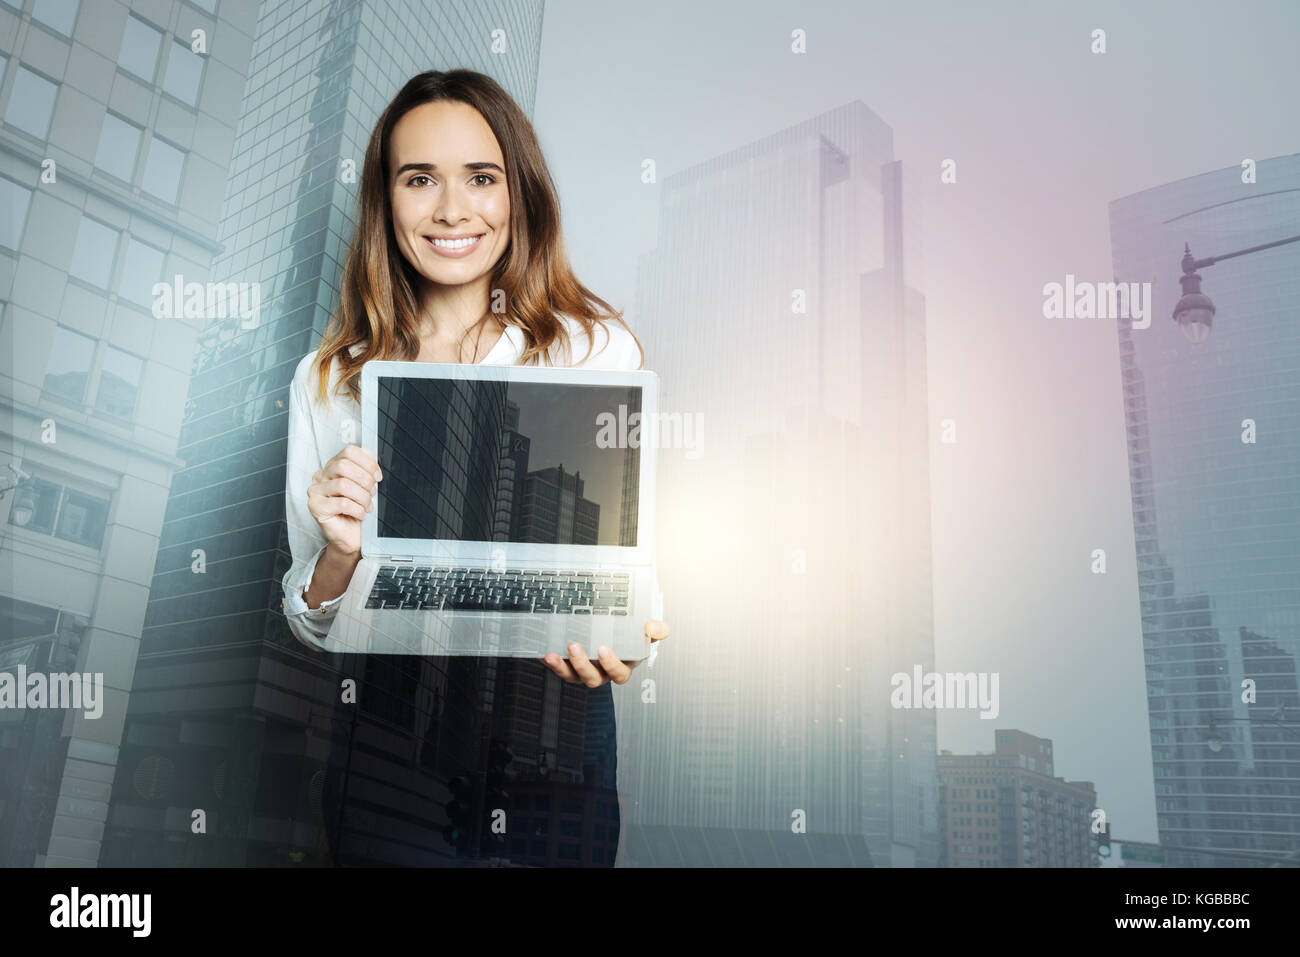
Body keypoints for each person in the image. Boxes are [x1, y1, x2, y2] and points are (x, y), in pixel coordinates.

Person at [280, 69, 668, 866]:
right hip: (389, 733)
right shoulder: (333, 376)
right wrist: (340, 550)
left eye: (481, 178)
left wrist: (624, 641)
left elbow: (632, 579)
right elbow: (311, 616)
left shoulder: (594, 348)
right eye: (419, 179)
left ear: (517, 194)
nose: (452, 210)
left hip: (554, 736)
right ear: (387, 202)